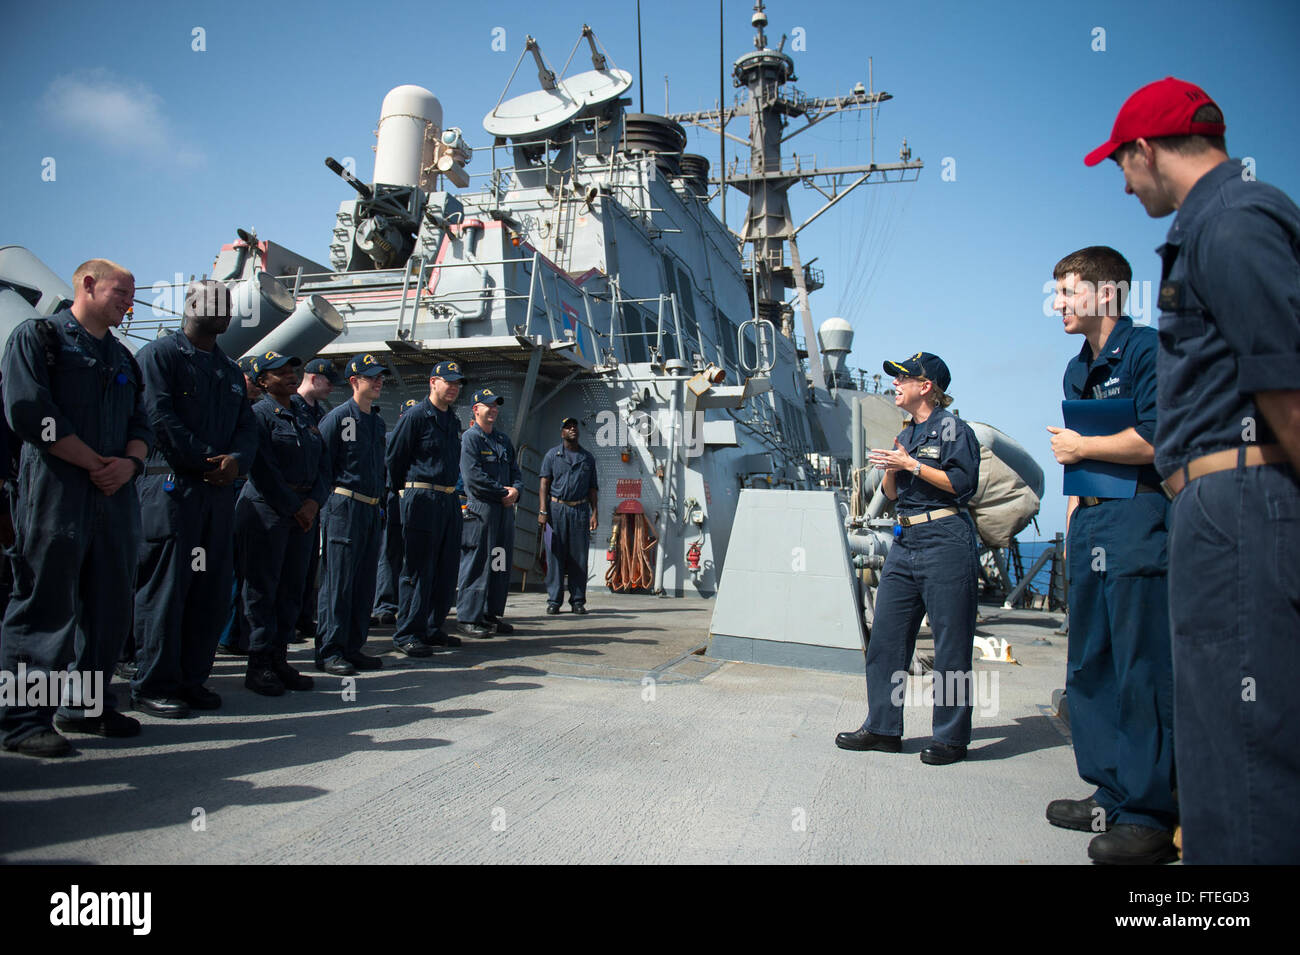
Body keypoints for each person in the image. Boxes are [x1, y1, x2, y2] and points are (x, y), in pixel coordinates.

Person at [1087, 76, 1300, 864]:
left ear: (1146, 149)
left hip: (1239, 502)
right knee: (1218, 750)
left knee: (1244, 757)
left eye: (1121, 162)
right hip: (1217, 505)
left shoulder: (1233, 219)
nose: (1121, 179)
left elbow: (1287, 384)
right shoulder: (1217, 222)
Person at [1044, 247, 1177, 864]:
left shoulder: (1149, 350)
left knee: (1139, 668)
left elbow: (1159, 436)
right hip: (1091, 520)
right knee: (1091, 661)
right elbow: (1082, 459)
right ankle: (1110, 791)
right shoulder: (1077, 369)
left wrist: (1081, 446)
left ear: (1106, 293)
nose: (1058, 304)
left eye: (1068, 292)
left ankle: (1150, 814)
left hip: (1137, 518)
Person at [0, 259, 152, 756]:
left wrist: (127, 466)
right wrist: (94, 464)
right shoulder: (39, 338)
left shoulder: (124, 358)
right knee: (44, 605)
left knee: (108, 607)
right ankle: (23, 723)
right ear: (88, 285)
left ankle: (85, 707)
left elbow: (143, 425)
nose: (129, 303)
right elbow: (29, 412)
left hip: (116, 496)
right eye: (122, 293)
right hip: (57, 492)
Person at [835, 352, 981, 766]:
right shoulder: (906, 434)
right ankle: (883, 728)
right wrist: (892, 468)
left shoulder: (955, 429)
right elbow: (894, 495)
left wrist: (910, 464)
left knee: (951, 645)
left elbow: (962, 485)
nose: (895, 384)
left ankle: (951, 738)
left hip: (945, 538)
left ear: (926, 386)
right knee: (885, 640)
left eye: (903, 378)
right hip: (906, 537)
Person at [130, 281, 259, 718]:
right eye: (212, 302)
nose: (222, 311)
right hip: (173, 489)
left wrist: (236, 462)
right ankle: (153, 682)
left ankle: (191, 678)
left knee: (207, 588)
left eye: (228, 305)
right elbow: (157, 416)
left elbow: (246, 427)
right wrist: (208, 461)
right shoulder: (160, 356)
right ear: (190, 305)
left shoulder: (227, 369)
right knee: (166, 589)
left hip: (216, 495)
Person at [235, 351, 328, 696]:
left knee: (291, 588)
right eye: (279, 372)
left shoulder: (305, 413)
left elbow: (324, 464)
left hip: (303, 512)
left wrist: (314, 502)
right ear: (262, 381)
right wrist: (296, 507)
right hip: (267, 513)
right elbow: (262, 470)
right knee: (262, 590)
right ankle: (258, 665)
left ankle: (280, 659)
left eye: (292, 369)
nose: (290, 375)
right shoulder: (257, 415)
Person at [386, 361, 465, 655]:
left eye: (457, 383)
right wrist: (403, 494)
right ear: (433, 382)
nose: (454, 388)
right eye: (449, 382)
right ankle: (408, 632)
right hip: (421, 498)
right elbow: (395, 459)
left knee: (445, 569)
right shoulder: (417, 416)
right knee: (419, 568)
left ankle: (433, 627)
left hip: (448, 500)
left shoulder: (453, 421)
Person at [315, 354, 388, 675]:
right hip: (343, 506)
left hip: (371, 508)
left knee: (363, 583)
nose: (378, 381)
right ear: (354, 381)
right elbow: (322, 467)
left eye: (380, 377)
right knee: (339, 582)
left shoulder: (376, 421)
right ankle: (330, 650)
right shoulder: (337, 419)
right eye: (371, 377)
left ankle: (353, 646)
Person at [457, 388, 523, 638]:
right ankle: (467, 617)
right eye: (488, 405)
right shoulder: (470, 439)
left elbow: (516, 472)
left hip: (504, 511)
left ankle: (489, 613)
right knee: (477, 562)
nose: (493, 409)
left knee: (499, 561)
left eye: (496, 405)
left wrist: (515, 490)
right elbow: (473, 477)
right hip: (481, 509)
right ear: (476, 409)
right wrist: (503, 493)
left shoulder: (503, 441)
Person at [216, 355, 263, 657]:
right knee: (226, 565)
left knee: (244, 567)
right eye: (252, 377)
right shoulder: (227, 408)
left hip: (245, 487)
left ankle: (236, 634)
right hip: (226, 487)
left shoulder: (252, 412)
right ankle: (226, 634)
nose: (257, 383)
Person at [292, 357, 340, 641]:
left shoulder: (319, 412)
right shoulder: (290, 408)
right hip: (290, 500)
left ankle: (303, 617)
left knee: (309, 565)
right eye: (328, 380)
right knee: (286, 570)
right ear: (313, 377)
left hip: (314, 499)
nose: (332, 386)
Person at [538, 417, 598, 614]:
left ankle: (578, 601)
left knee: (579, 557)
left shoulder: (587, 458)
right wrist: (543, 511)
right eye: (567, 427)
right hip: (556, 510)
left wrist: (594, 513)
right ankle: (554, 601)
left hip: (580, 511)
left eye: (574, 427)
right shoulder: (551, 456)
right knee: (555, 555)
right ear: (561, 432)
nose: (572, 429)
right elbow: (544, 485)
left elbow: (592, 489)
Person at [372, 397, 420, 627]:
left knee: (413, 554)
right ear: (401, 417)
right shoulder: (389, 439)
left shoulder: (421, 438)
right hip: (395, 499)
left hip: (417, 500)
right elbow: (380, 471)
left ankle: (408, 603)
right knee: (390, 552)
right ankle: (385, 604)